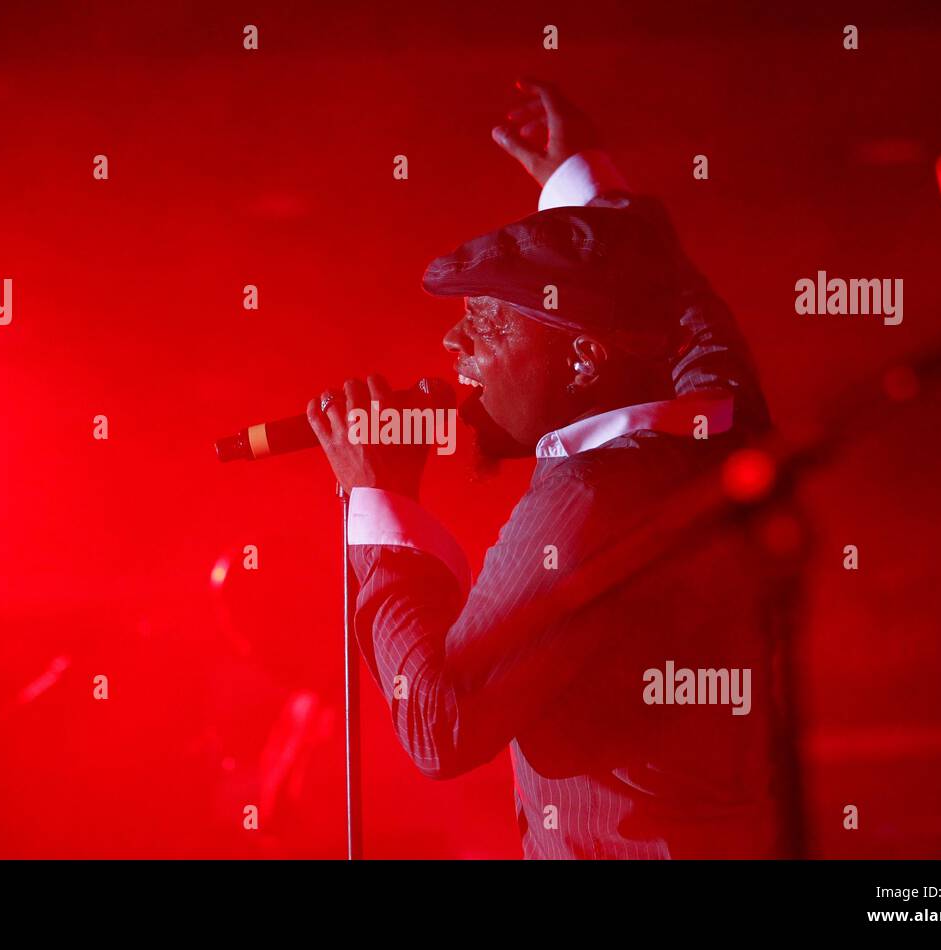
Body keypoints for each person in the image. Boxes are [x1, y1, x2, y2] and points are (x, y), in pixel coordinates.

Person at [307, 80, 790, 859]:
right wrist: (582, 185)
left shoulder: (592, 495)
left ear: (583, 357)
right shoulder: (717, 419)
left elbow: (441, 723)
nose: (455, 345)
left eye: (489, 320)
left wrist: (380, 496)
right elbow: (682, 304)